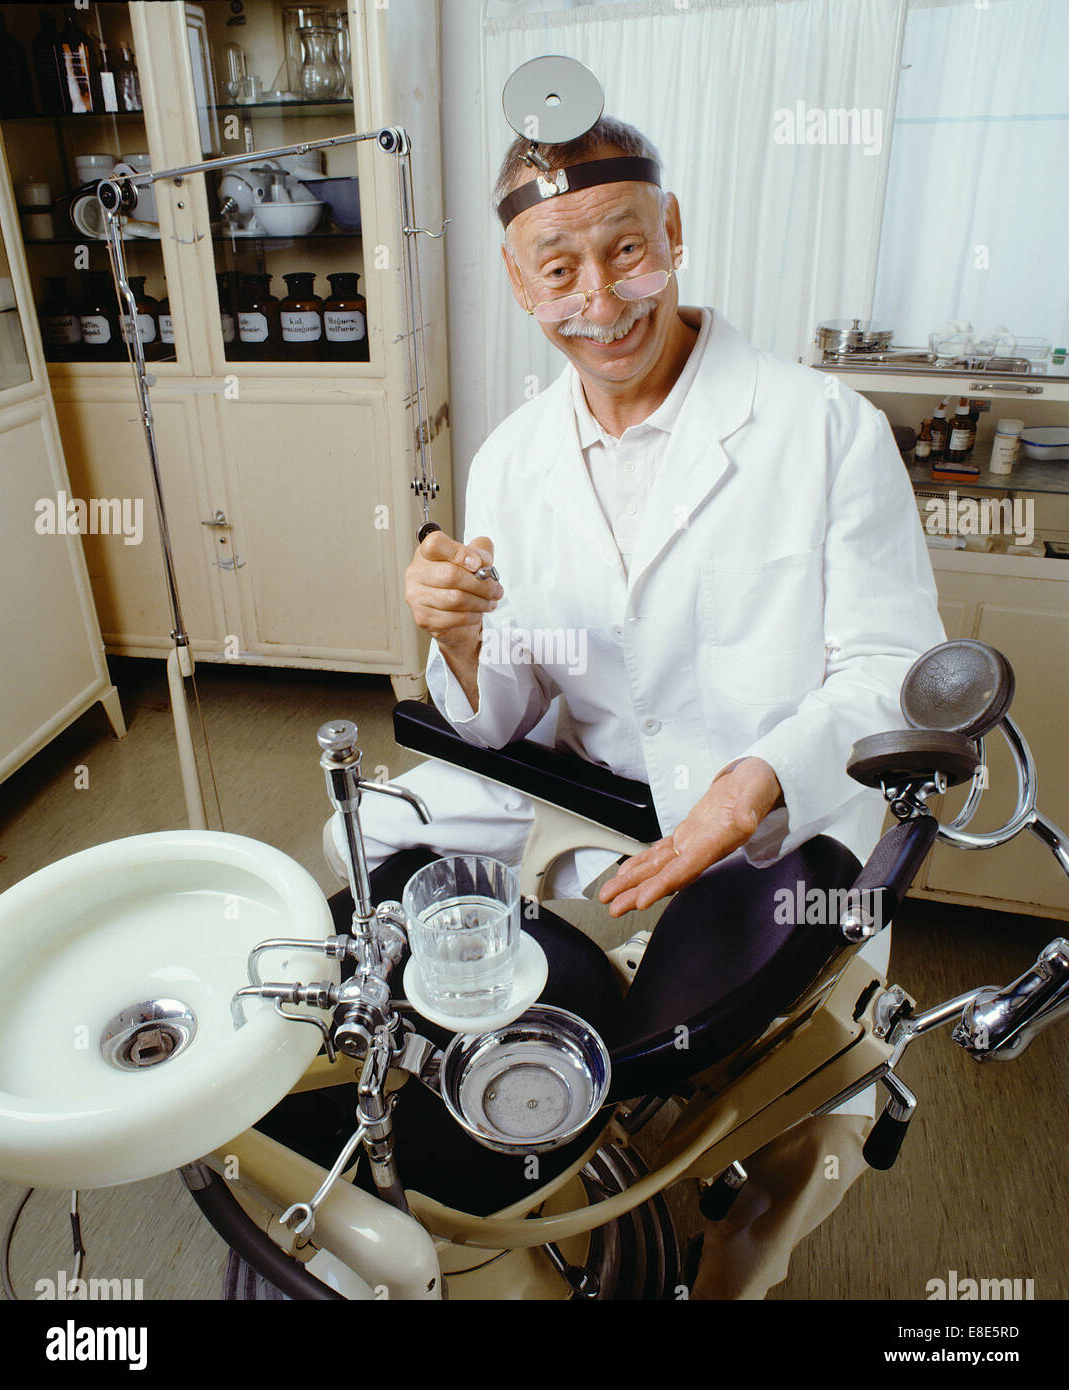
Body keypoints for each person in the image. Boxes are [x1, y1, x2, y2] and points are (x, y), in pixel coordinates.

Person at [324, 115, 945, 1298]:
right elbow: (501, 712)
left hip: (774, 829)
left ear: (675, 233)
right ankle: (495, 1149)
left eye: (626, 250)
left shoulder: (821, 431)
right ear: (517, 283)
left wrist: (750, 783)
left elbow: (889, 675)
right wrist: (457, 634)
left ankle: (707, 1233)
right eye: (557, 268)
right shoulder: (510, 458)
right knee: (362, 855)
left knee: (707, 1089)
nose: (599, 298)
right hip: (598, 808)